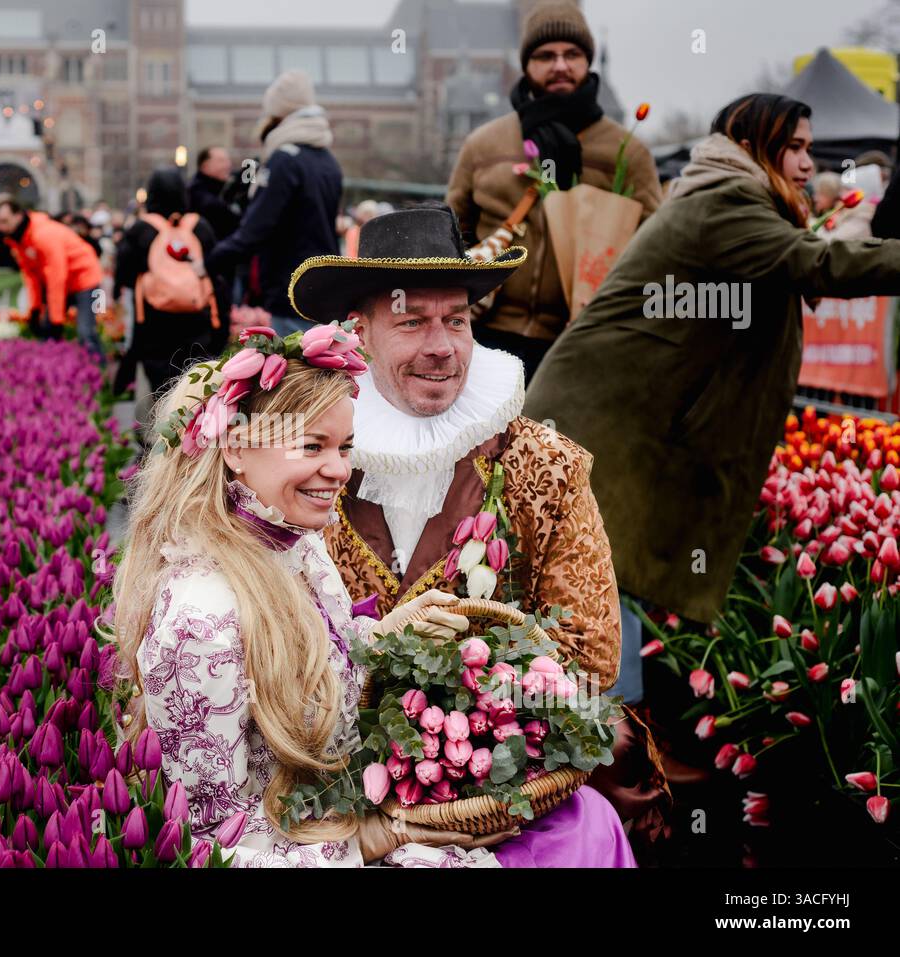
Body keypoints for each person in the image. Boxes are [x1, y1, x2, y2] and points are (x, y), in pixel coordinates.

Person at [291, 201, 654, 858]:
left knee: (585, 832)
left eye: (455, 320)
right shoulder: (302, 462)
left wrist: (470, 734)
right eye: (411, 321)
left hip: (507, 792)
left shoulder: (545, 465)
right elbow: (267, 636)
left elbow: (591, 650)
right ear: (359, 331)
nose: (441, 345)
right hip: (330, 785)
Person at [109, 329, 531, 867]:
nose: (338, 470)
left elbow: (315, 665)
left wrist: (386, 634)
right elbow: (201, 845)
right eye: (312, 446)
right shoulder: (204, 621)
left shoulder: (296, 544)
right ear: (236, 448)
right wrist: (372, 842)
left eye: (344, 447)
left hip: (345, 811)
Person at [524, 94, 900, 681]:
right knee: (604, 569)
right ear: (753, 147)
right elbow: (819, 265)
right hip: (605, 414)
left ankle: (621, 742)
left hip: (628, 410)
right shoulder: (726, 201)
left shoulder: (736, 195)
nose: (807, 163)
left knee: (618, 567)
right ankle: (608, 748)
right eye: (795, 147)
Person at [445, 0, 662, 382]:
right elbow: (449, 232)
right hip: (485, 338)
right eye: (545, 55)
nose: (560, 64)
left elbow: (654, 248)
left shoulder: (626, 151)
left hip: (579, 341)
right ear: (526, 64)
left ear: (588, 61)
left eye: (572, 54)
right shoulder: (484, 144)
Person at [200, 70, 343, 338]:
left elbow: (256, 228)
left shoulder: (285, 161)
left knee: (291, 374)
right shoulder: (328, 160)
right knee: (322, 373)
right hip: (324, 285)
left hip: (290, 289)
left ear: (278, 115)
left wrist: (208, 262)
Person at [113, 167, 229, 401]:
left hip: (155, 321)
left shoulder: (141, 229)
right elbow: (219, 268)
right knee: (196, 380)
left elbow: (124, 273)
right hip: (198, 318)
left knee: (162, 384)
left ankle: (166, 430)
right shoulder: (199, 226)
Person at [0, 193, 105, 359]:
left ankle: (98, 372)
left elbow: (56, 275)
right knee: (48, 331)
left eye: (5, 221)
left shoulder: (43, 234)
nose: (2, 227)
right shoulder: (18, 240)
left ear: (18, 215)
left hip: (86, 279)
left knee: (86, 331)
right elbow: (31, 276)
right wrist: (35, 309)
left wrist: (55, 318)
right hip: (66, 281)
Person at [187, 146, 240, 240]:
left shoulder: (221, 188)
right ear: (205, 165)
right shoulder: (196, 192)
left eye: (228, 160)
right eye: (221, 161)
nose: (228, 165)